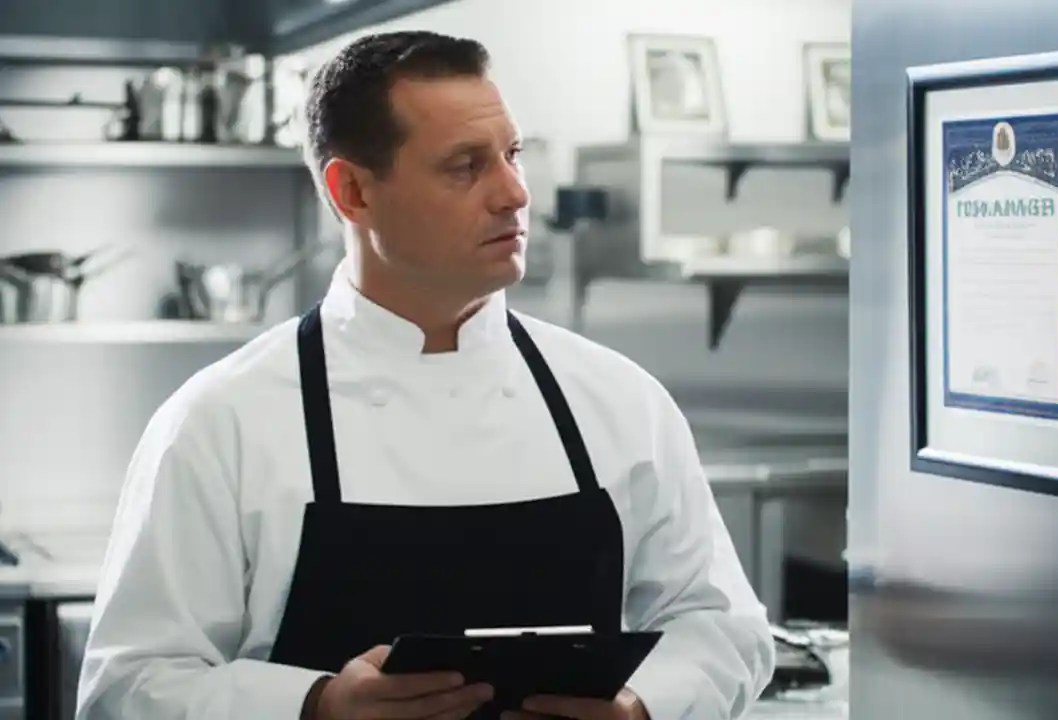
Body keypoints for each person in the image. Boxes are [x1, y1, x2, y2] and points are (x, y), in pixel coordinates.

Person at [75, 30, 775, 720]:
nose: (513, 193)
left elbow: (722, 627)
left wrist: (640, 707)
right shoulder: (219, 421)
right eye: (465, 165)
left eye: (513, 154)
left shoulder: (623, 401)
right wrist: (315, 706)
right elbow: (129, 687)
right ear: (352, 191)